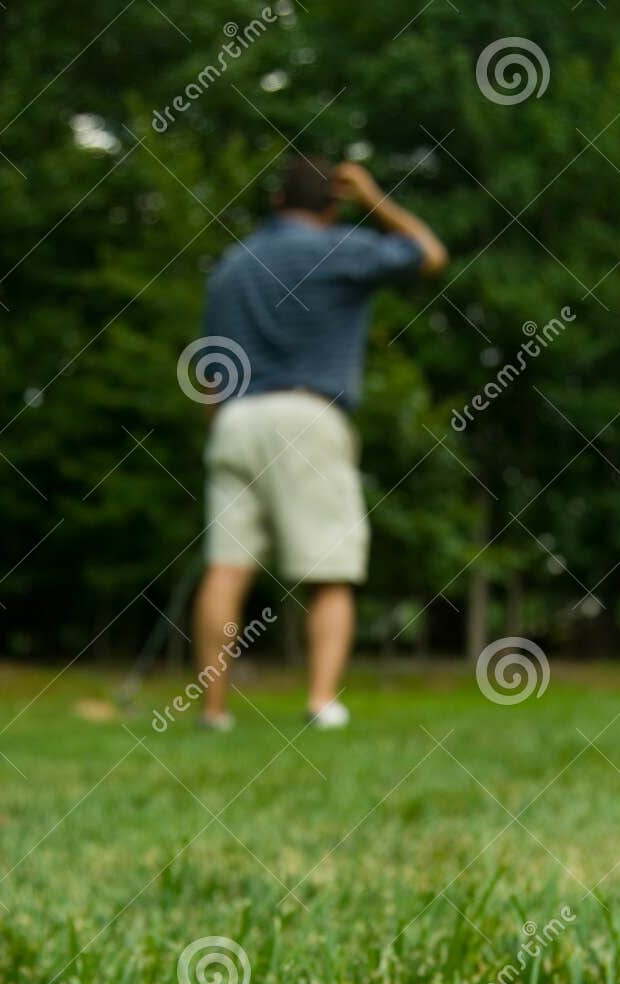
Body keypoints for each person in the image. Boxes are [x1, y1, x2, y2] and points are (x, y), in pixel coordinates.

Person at [193, 154, 448, 730]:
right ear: (333, 205)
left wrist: (218, 428)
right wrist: (375, 198)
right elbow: (430, 254)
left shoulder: (231, 267)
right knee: (330, 570)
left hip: (235, 419)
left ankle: (213, 710)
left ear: (277, 201)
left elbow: (211, 368)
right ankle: (320, 702)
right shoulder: (341, 249)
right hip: (308, 417)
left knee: (226, 569)